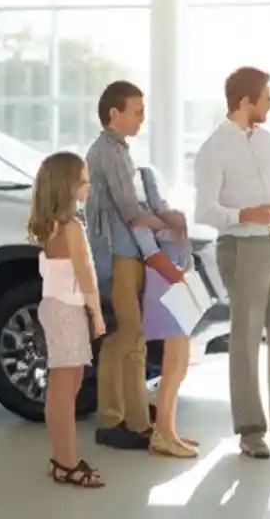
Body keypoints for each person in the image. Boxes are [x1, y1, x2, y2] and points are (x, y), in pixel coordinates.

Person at [193, 66, 270, 459]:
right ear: (246, 100)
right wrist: (245, 214)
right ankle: (250, 431)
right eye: (266, 97)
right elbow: (205, 210)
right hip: (241, 248)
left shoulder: (266, 140)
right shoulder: (214, 148)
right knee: (246, 339)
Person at [86, 81, 185, 450]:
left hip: (122, 251)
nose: (142, 118)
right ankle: (135, 423)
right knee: (133, 338)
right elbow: (130, 210)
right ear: (114, 113)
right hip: (120, 253)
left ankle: (113, 418)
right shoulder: (109, 152)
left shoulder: (116, 150)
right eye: (137, 111)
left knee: (119, 339)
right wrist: (168, 223)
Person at [27, 152, 108, 488]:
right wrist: (97, 313)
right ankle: (66, 461)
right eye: (83, 181)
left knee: (66, 385)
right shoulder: (72, 228)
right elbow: (86, 275)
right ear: (68, 186)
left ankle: (63, 457)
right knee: (64, 388)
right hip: (67, 310)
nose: (88, 186)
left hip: (56, 306)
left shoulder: (51, 227)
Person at [132, 166, 199, 459]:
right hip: (166, 286)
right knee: (173, 365)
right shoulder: (144, 220)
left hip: (175, 284)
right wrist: (181, 280)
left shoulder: (166, 217)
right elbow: (152, 255)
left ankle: (168, 429)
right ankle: (163, 433)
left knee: (179, 363)